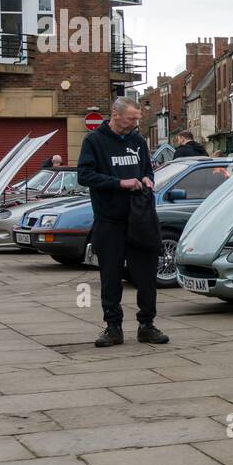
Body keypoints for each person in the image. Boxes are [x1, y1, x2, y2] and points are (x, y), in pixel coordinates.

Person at [78, 97, 169, 348]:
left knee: (147, 275)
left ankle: (146, 325)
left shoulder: (138, 141)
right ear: (115, 115)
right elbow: (84, 175)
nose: (135, 123)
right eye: (131, 119)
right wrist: (119, 183)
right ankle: (113, 327)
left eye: (137, 118)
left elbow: (147, 170)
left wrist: (147, 179)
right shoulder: (94, 141)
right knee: (111, 276)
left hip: (139, 219)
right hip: (110, 220)